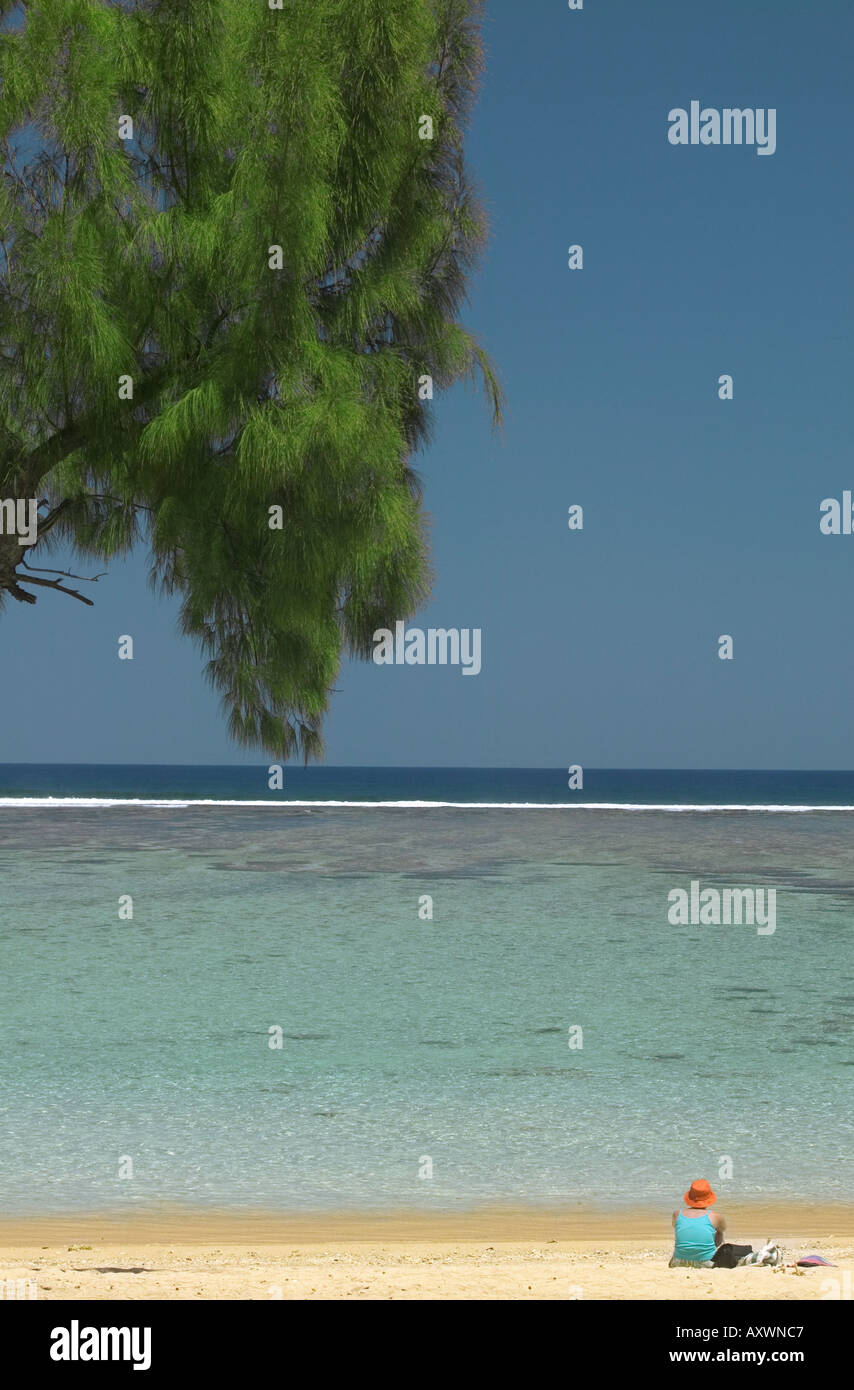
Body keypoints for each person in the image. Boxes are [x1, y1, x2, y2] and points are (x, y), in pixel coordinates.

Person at [669, 1179, 763, 1269]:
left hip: (678, 1261)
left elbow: (679, 1229)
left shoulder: (677, 1214)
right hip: (706, 1262)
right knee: (720, 1233)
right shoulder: (715, 1216)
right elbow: (722, 1230)